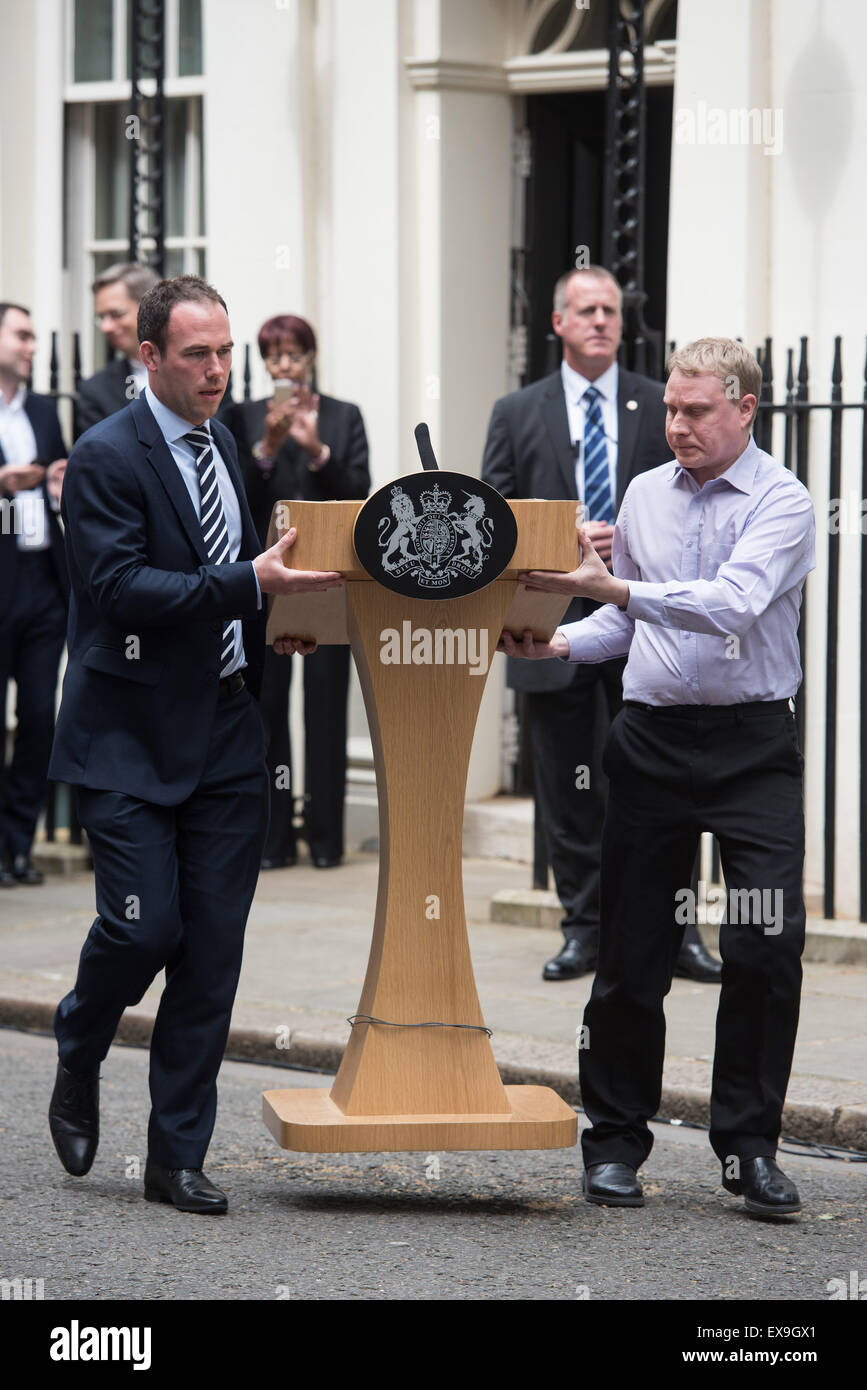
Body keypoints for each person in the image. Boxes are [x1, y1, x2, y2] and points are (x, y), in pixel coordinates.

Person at [47, 275, 343, 1214]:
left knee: (212, 954)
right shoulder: (105, 455)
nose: (220, 373)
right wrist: (249, 589)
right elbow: (122, 588)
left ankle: (177, 1157)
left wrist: (273, 623)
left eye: (225, 354)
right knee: (145, 926)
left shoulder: (222, 443)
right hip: (127, 736)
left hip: (224, 730)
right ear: (149, 359)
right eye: (197, 356)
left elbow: (239, 574)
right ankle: (81, 1037)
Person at [501, 338, 814, 1218]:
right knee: (631, 951)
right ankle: (612, 1142)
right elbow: (628, 624)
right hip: (648, 744)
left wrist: (613, 594)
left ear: (743, 409)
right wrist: (560, 638)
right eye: (670, 409)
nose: (674, 424)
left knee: (763, 942)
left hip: (751, 748)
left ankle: (748, 1149)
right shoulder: (644, 493)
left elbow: (729, 602)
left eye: (694, 411)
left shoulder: (782, 502)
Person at [482, 265, 720, 983]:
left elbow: (697, 502)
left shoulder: (660, 405)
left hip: (646, 619)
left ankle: (678, 934)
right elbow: (489, 518)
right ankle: (583, 927)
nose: (600, 321)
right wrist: (560, 538)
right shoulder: (515, 411)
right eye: (585, 310)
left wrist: (631, 540)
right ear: (556, 321)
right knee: (566, 787)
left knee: (663, 785)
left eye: (610, 310)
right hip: (547, 623)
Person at [224, 314, 369, 869]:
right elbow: (237, 496)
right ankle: (275, 840)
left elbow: (360, 493)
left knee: (327, 708)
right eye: (273, 355)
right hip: (267, 579)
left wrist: (316, 451)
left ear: (311, 356)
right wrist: (267, 446)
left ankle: (327, 841)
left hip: (331, 579)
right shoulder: (242, 416)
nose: (284, 364)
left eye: (294, 354)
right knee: (266, 707)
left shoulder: (342, 415)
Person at [0, 303, 68, 887]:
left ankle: (18, 846)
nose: (31, 345)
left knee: (40, 719)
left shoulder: (44, 411)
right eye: (21, 334)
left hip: (43, 583)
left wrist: (59, 482)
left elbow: (59, 480)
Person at [74, 263, 160, 438]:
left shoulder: (205, 373)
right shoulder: (95, 390)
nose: (106, 327)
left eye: (116, 314)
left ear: (149, 308)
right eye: (102, 317)